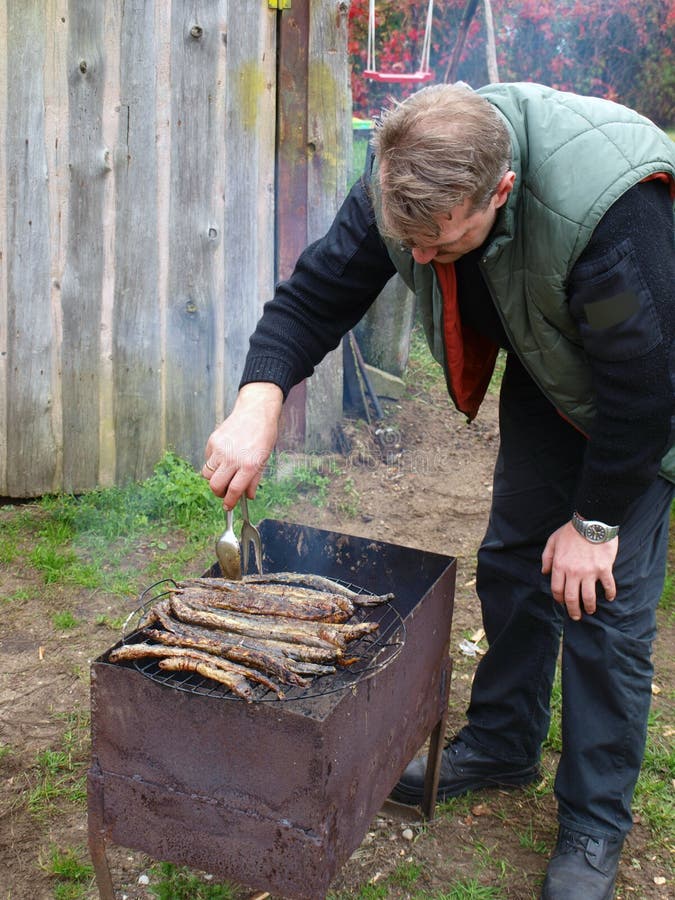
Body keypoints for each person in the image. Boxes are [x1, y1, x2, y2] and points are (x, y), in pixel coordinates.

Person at [202, 82, 675, 900]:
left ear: (498, 190)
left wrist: (595, 522)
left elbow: (643, 390)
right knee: (515, 558)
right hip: (554, 358)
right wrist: (260, 396)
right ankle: (501, 743)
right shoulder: (405, 177)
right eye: (405, 239)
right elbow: (316, 296)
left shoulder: (608, 222)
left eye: (440, 244)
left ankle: (595, 822)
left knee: (600, 597)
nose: (418, 258)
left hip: (649, 384)